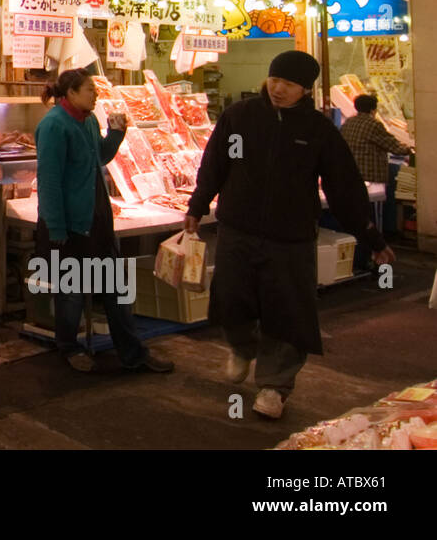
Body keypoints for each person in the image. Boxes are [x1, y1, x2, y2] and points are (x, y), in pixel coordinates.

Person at [184, 51, 394, 420]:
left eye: (289, 84)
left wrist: (372, 237)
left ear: (305, 90)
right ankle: (242, 346)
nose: (278, 89)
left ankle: (274, 387)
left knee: (287, 311)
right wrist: (197, 206)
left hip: (290, 236)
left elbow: (343, 187)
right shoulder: (240, 117)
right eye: (274, 80)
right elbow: (215, 163)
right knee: (230, 297)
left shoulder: (317, 131)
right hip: (238, 228)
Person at [35, 69, 174, 374]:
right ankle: (69, 348)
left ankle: (133, 353)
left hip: (97, 220)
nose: (95, 94)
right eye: (89, 89)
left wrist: (116, 134)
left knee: (116, 289)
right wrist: (56, 227)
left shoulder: (88, 121)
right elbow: (48, 181)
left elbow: (99, 157)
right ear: (70, 93)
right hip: (68, 227)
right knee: (71, 293)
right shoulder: (54, 126)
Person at [340, 94, 412, 237]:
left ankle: (363, 236)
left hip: (352, 174)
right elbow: (393, 146)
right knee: (374, 210)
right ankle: (377, 238)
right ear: (373, 110)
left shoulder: (348, 123)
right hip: (371, 175)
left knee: (359, 210)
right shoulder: (373, 124)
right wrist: (409, 149)